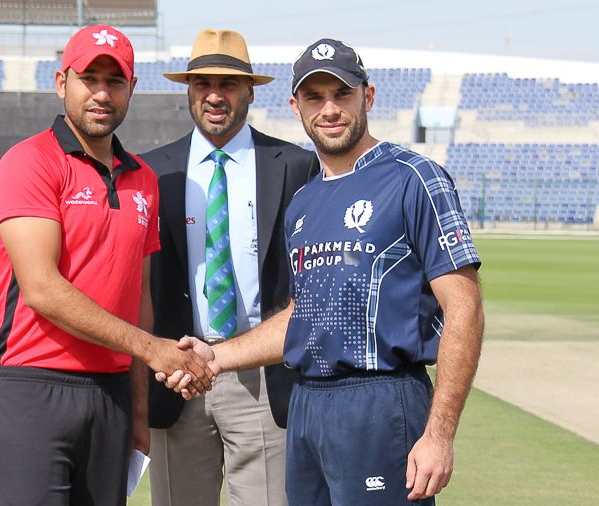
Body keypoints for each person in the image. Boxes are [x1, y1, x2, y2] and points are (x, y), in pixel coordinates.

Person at [160, 38, 484, 505]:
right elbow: (304, 317)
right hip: (307, 405)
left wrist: (439, 434)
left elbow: (465, 308)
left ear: (367, 97)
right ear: (296, 107)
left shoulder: (415, 177)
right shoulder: (304, 202)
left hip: (380, 400)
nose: (329, 109)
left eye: (342, 94)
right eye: (315, 97)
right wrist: (216, 358)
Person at [0, 24, 216, 506]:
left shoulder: (143, 179)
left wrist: (140, 410)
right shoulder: (30, 162)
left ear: (131, 89)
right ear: (62, 82)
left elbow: (139, 296)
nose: (102, 93)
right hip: (33, 389)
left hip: (111, 397)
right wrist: (155, 350)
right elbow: (43, 289)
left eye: (116, 81)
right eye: (90, 78)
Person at [140, 29, 320, 506]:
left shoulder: (298, 166)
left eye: (228, 84)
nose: (214, 96)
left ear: (250, 91)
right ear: (189, 91)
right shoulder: (152, 171)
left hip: (263, 378)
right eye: (202, 84)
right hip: (178, 378)